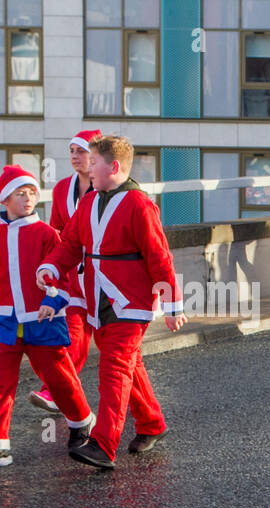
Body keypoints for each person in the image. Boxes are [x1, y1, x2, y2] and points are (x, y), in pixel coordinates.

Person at [36, 135, 187, 468]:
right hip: (97, 301)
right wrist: (50, 266)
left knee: (114, 368)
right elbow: (70, 244)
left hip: (131, 304)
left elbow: (159, 257)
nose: (88, 167)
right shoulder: (89, 202)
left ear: (113, 166)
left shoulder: (139, 204)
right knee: (129, 364)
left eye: (94, 162)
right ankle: (151, 423)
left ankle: (103, 445)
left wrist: (173, 304)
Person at [0, 165, 95, 466]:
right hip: (5, 322)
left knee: (60, 379)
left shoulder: (46, 233)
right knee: (1, 384)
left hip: (43, 321)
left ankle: (81, 421)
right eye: (20, 193)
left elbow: (64, 274)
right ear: (4, 199)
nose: (28, 198)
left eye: (31, 192)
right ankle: (1, 442)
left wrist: (52, 302)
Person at [26, 129, 101, 415]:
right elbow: (56, 229)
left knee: (114, 348)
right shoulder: (60, 190)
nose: (74, 156)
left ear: (94, 155)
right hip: (71, 274)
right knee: (73, 333)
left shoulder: (105, 187)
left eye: (81, 151)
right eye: (71, 151)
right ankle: (55, 391)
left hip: (102, 274)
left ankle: (133, 400)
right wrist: (52, 265)